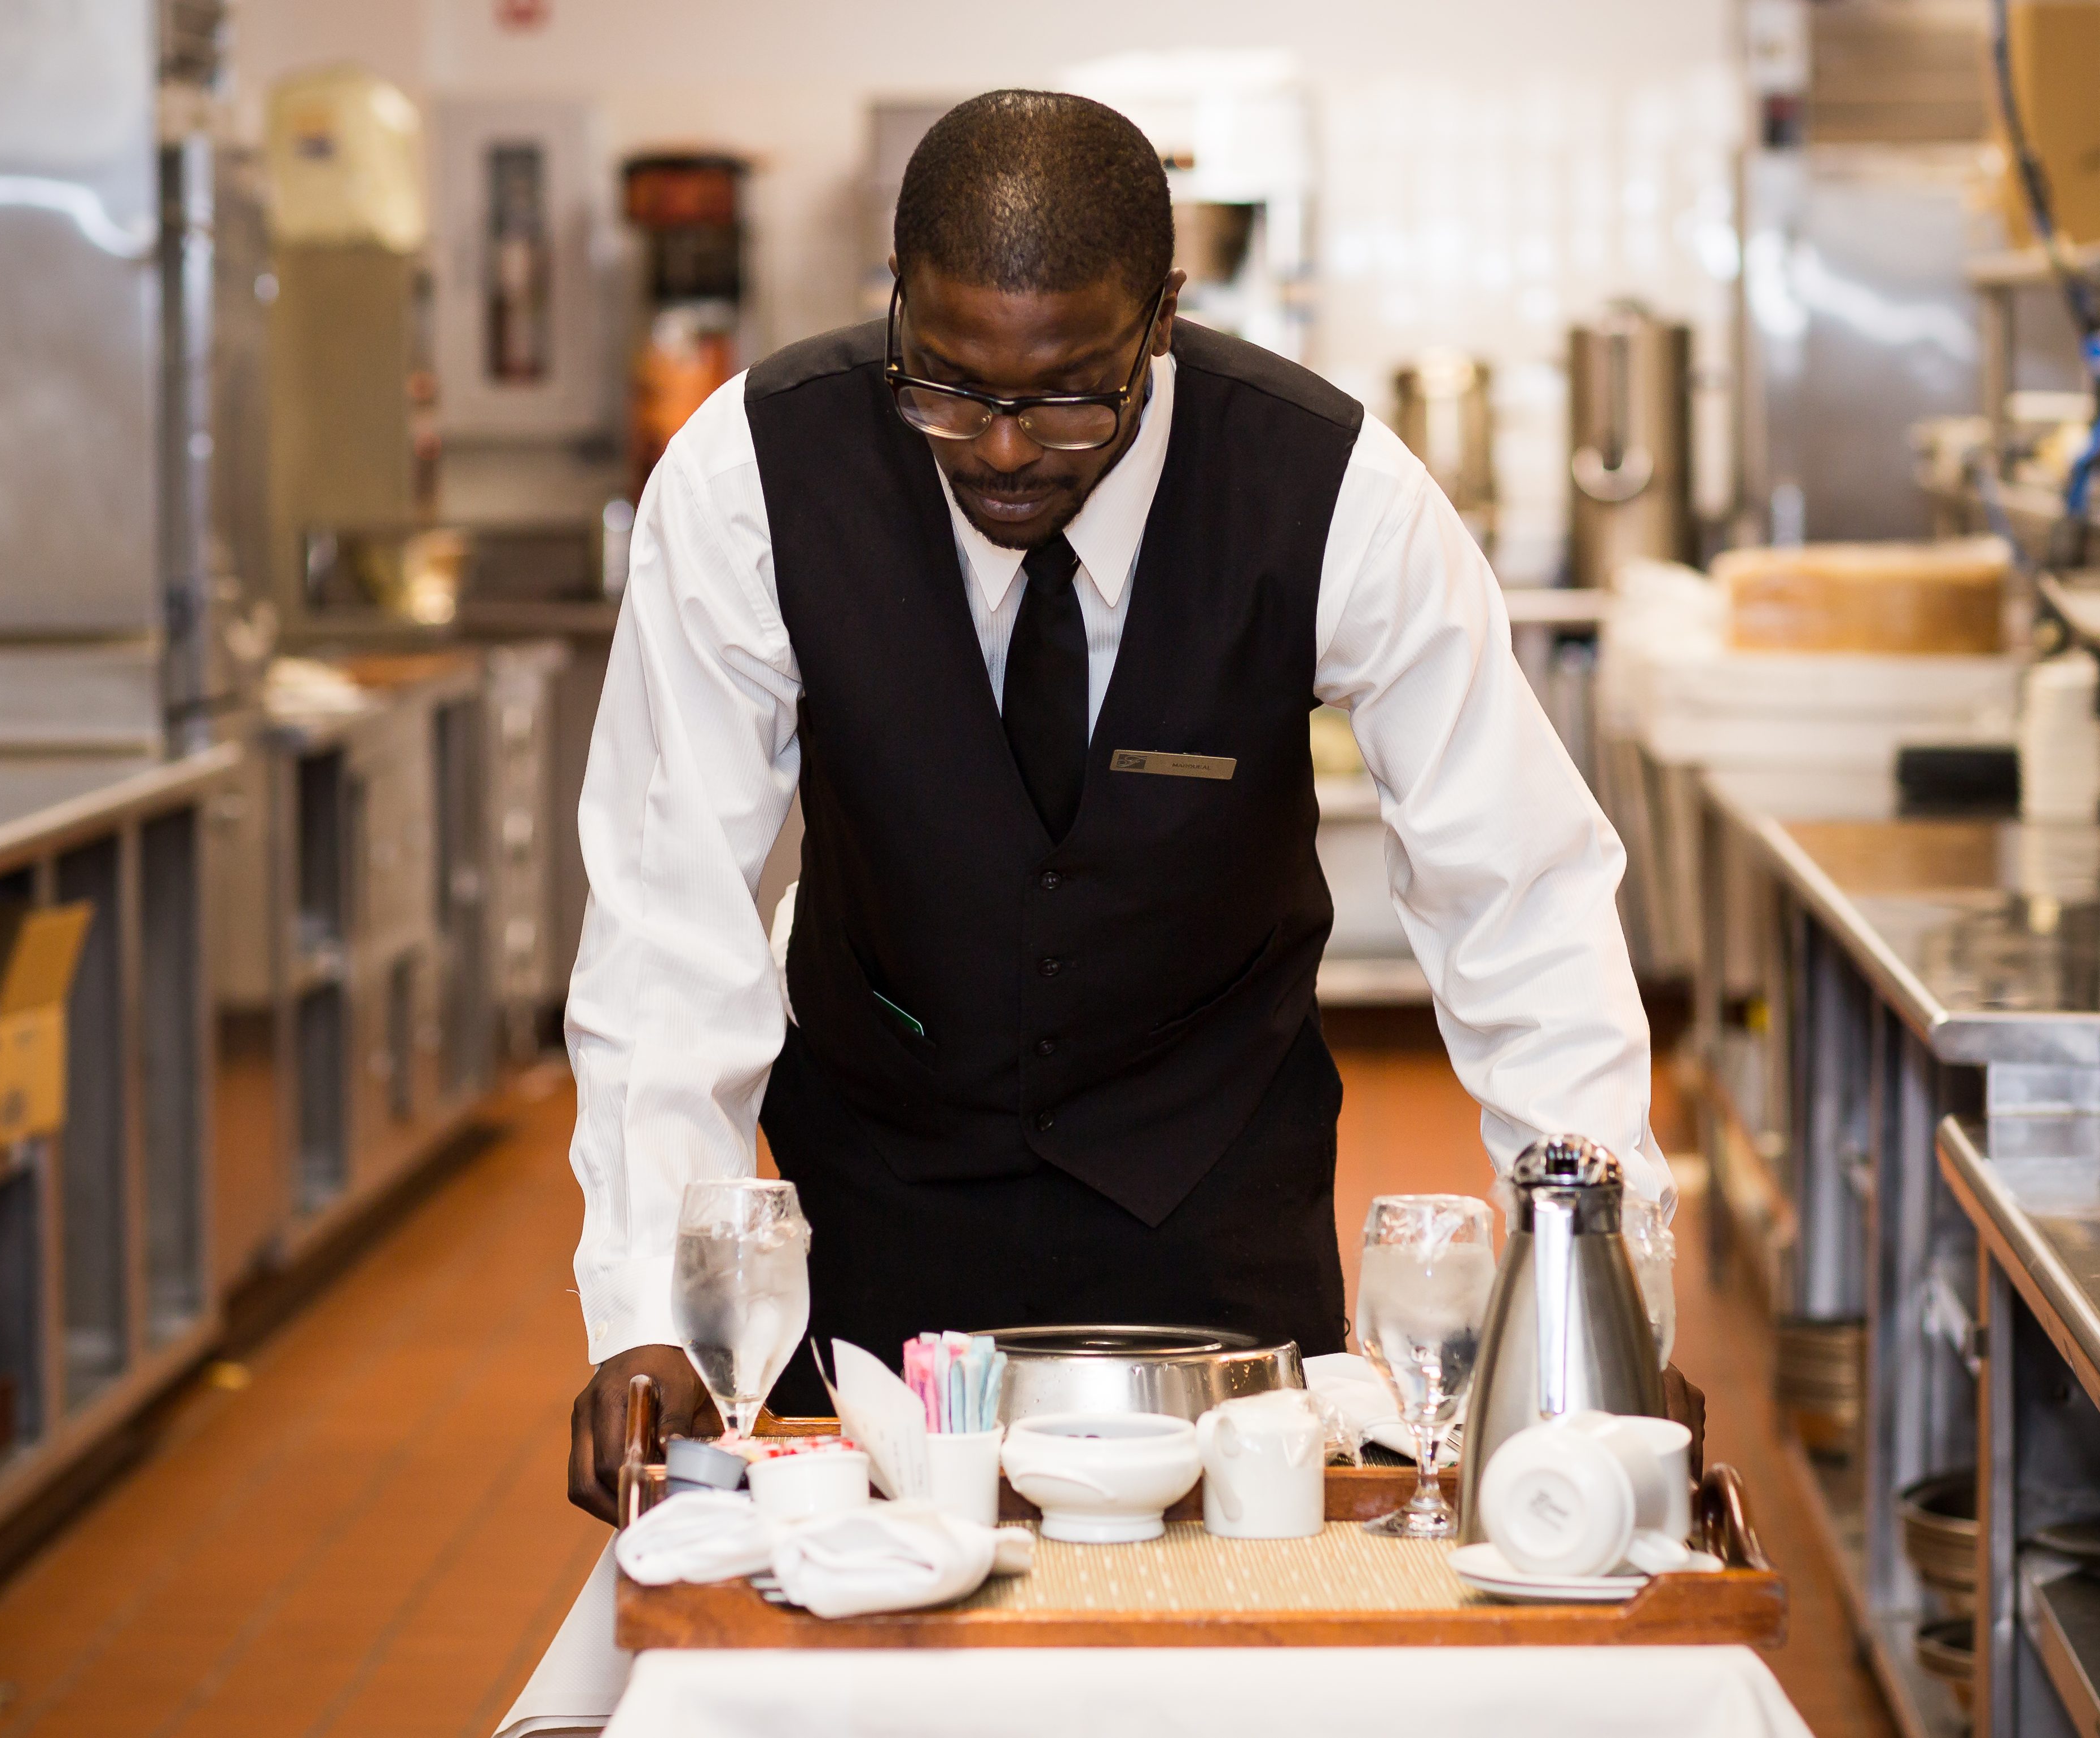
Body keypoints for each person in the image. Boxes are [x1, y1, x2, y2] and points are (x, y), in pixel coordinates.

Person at [562, 89, 1667, 1520]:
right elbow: (670, 915)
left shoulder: (1336, 497)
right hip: (877, 1192)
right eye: (948, 383)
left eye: (1073, 393)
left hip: (1208, 1196)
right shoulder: (748, 480)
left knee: (1228, 1638)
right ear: (895, 302)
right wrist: (645, 1300)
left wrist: (1608, 1299)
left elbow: (1518, 900)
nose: (1005, 452)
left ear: (1161, 319)